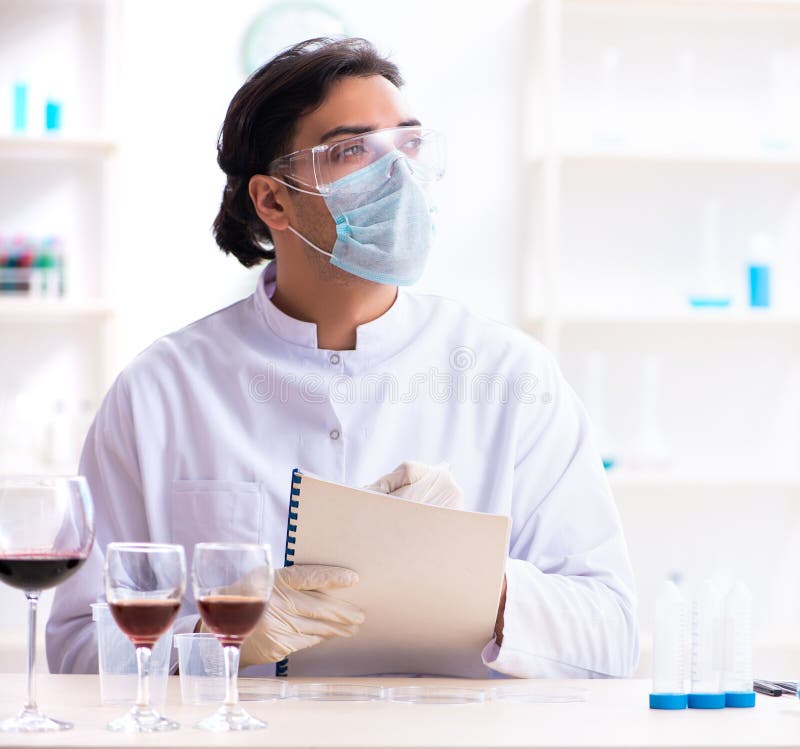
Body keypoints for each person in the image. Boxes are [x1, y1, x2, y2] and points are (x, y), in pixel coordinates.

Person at [47, 37, 638, 679]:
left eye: (408, 145)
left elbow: (610, 637)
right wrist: (215, 638)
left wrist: (473, 580)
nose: (398, 175)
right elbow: (78, 647)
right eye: (353, 151)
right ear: (272, 201)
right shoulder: (160, 391)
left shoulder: (512, 378)